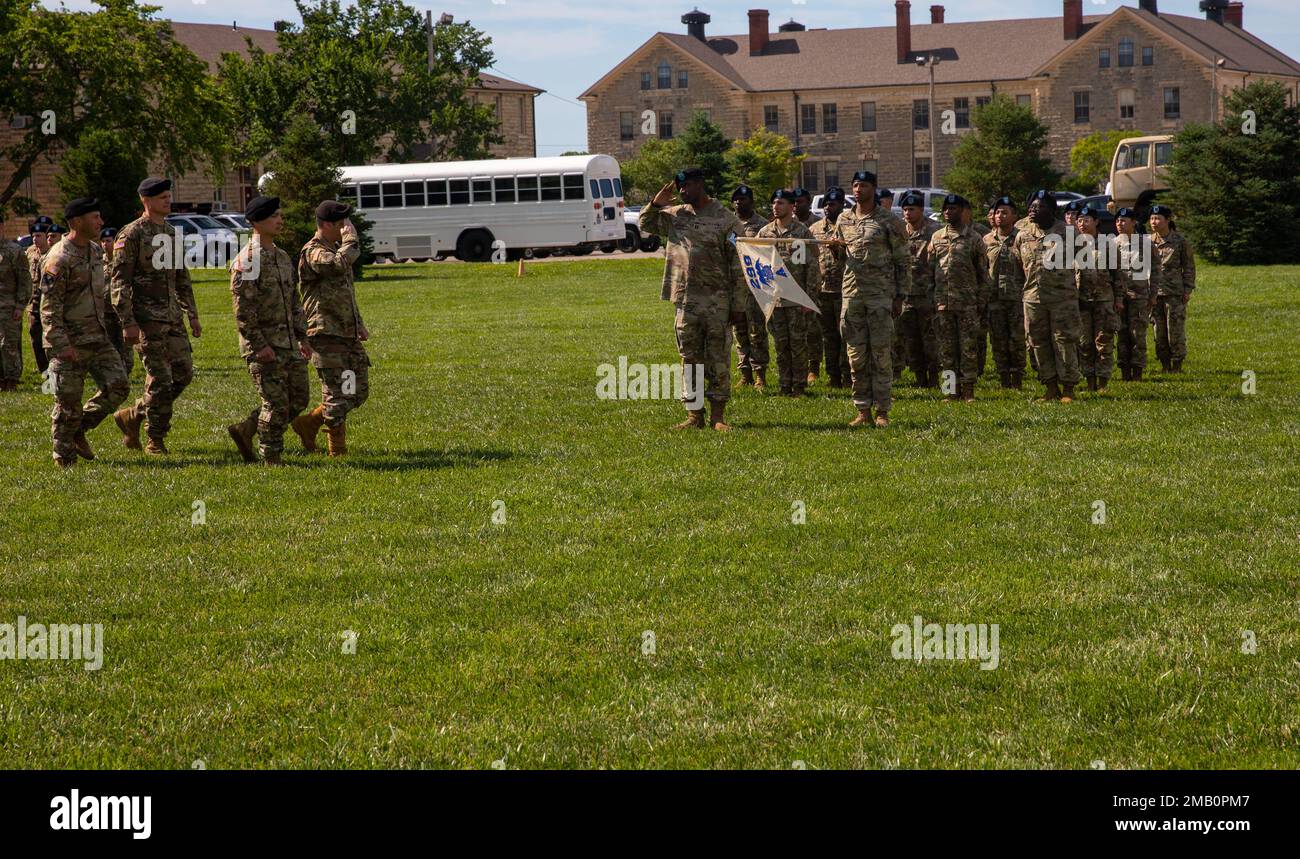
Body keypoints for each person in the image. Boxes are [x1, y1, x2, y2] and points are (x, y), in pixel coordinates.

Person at [639, 168, 746, 430]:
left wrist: (739, 305)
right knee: (689, 358)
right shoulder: (677, 216)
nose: (683, 191)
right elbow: (645, 224)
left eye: (687, 186)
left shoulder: (727, 220)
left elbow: (738, 265)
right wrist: (655, 203)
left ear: (701, 184)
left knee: (718, 358)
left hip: (717, 301)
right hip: (686, 301)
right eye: (680, 187)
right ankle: (694, 415)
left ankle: (718, 416)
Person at [110, 177, 201, 455]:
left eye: (168, 196)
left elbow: (181, 277)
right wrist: (128, 322)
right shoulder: (131, 234)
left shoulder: (172, 233)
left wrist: (192, 315)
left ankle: (134, 414)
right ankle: (155, 438)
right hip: (146, 319)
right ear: (145, 201)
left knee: (183, 374)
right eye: (162, 197)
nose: (168, 200)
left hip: (173, 317)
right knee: (160, 379)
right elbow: (119, 282)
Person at [38, 198, 129, 467]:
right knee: (67, 404)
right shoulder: (57, 259)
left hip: (97, 337)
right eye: (95, 217)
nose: (101, 222)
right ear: (77, 222)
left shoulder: (93, 250)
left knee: (118, 386)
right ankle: (64, 459)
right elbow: (48, 309)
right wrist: (61, 345)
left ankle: (80, 427)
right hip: (69, 342)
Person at [226, 196, 313, 466]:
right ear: (256, 222)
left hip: (288, 342)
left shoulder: (282, 257)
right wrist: (258, 345)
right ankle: (271, 456)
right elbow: (243, 311)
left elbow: (294, 301)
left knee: (298, 398)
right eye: (273, 216)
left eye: (280, 215)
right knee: (275, 404)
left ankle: (248, 428)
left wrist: (303, 337)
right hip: (263, 346)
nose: (280, 220)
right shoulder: (248, 260)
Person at [833, 170, 911, 427]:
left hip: (880, 295)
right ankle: (862, 410)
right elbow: (842, 258)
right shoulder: (844, 219)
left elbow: (903, 261)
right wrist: (836, 250)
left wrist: (900, 296)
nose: (858, 190)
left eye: (863, 186)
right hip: (852, 295)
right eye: (854, 185)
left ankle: (882, 411)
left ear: (874, 189)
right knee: (856, 355)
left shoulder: (889, 221)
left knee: (880, 354)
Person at [295, 200, 369, 453]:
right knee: (336, 394)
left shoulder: (337, 249)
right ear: (326, 225)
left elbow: (346, 291)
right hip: (325, 333)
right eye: (340, 224)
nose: (346, 228)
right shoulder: (313, 251)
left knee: (355, 391)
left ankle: (310, 421)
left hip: (346, 333)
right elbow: (335, 266)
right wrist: (350, 242)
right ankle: (337, 450)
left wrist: (358, 323)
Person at [1013, 190, 1081, 403]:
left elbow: (1084, 264)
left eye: (1039, 207)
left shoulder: (1068, 233)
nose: (1033, 210)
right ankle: (1050, 387)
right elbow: (1018, 265)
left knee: (1064, 341)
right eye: (1031, 207)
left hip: (1062, 299)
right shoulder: (1023, 234)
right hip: (1033, 298)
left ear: (1052, 210)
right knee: (1037, 342)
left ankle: (1068, 388)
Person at [757, 189, 821, 397]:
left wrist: (809, 297)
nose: (776, 206)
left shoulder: (801, 232)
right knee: (781, 344)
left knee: (798, 345)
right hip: (775, 299)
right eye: (774, 203)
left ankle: (799, 386)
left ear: (792, 206)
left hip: (796, 299)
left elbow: (811, 267)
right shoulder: (765, 233)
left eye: (781, 203)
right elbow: (756, 261)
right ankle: (785, 385)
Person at [929, 194, 991, 402]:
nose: (948, 212)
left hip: (967, 304)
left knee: (968, 348)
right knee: (946, 350)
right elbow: (929, 270)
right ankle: (950, 390)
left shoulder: (974, 239)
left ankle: (968, 391)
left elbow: (984, 274)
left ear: (962, 211)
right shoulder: (937, 237)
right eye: (946, 209)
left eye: (953, 208)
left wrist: (980, 302)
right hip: (942, 303)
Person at [1074, 205, 1119, 392]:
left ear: (1096, 222)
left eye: (1086, 220)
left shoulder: (1107, 244)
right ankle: (1089, 381)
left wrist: (1119, 298)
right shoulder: (1072, 245)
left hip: (1103, 299)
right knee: (1084, 343)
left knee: (1104, 341)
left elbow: (1118, 274)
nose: (1082, 224)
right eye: (1079, 221)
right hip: (1081, 301)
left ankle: (1102, 382)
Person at [983, 196, 1027, 389]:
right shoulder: (986, 240)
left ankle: (1017, 379)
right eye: (998, 212)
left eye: (1005, 212)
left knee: (1017, 340)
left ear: (1014, 216)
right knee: (998, 340)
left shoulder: (1022, 238)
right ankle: (1003, 380)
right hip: (994, 299)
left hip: (1017, 298)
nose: (1000, 216)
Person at [729, 185, 770, 389]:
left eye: (743, 199)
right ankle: (745, 373)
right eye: (735, 199)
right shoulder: (727, 224)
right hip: (734, 286)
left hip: (755, 287)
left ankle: (760, 373)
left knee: (756, 331)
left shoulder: (762, 225)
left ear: (752, 202)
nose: (738, 202)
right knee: (739, 331)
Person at [897, 190, 939, 388]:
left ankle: (934, 378)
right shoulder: (899, 232)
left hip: (928, 295)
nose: (907, 213)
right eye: (905, 209)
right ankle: (919, 379)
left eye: (912, 209)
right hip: (906, 297)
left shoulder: (934, 231)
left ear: (921, 210)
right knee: (911, 342)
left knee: (931, 341)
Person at [810, 187, 849, 388]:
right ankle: (833, 377)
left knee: (845, 336)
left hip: (845, 291)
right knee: (829, 337)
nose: (827, 208)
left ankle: (847, 376)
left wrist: (840, 248)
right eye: (825, 204)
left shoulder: (849, 227)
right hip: (823, 292)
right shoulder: (815, 229)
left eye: (832, 204)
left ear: (842, 205)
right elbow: (808, 259)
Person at [1149, 204, 1195, 373]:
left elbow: (1189, 267)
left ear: (1167, 220)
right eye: (1152, 218)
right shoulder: (1147, 242)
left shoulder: (1179, 241)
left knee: (1174, 331)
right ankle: (1164, 364)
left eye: (1158, 218)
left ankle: (1177, 364)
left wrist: (1187, 290)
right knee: (1158, 331)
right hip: (1154, 294)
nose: (1154, 222)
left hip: (1174, 293)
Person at [1113, 208, 1152, 381]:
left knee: (1137, 334)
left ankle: (1137, 371)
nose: (1120, 224)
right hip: (1120, 297)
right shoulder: (1112, 244)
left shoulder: (1145, 243)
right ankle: (1124, 370)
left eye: (1123, 221)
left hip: (1139, 295)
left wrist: (1153, 294)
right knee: (1121, 333)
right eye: (1118, 221)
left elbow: (1156, 270)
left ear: (1133, 222)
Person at [792, 187, 822, 382]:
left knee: (812, 331)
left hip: (810, 283)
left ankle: (813, 367)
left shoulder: (815, 226)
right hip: (789, 286)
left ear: (808, 202)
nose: (796, 205)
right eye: (793, 202)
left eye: (800, 201)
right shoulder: (787, 225)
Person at [0, 213, 32, 392]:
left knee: (8, 344)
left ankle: (11, 379)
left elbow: (24, 280)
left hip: (9, 305)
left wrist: (20, 305)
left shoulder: (14, 251)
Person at [98, 226, 132, 376]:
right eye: (103, 241)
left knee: (125, 344)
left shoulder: (123, 259)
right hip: (105, 309)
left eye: (108, 241)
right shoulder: (98, 262)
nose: (105, 244)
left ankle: (127, 369)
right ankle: (116, 372)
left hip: (122, 308)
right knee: (111, 343)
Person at [26, 216, 55, 375]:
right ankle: (45, 372)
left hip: (50, 304)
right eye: (33, 236)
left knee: (52, 340)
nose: (35, 239)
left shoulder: (55, 253)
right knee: (36, 339)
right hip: (34, 304)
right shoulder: (29, 252)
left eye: (39, 236)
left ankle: (57, 370)